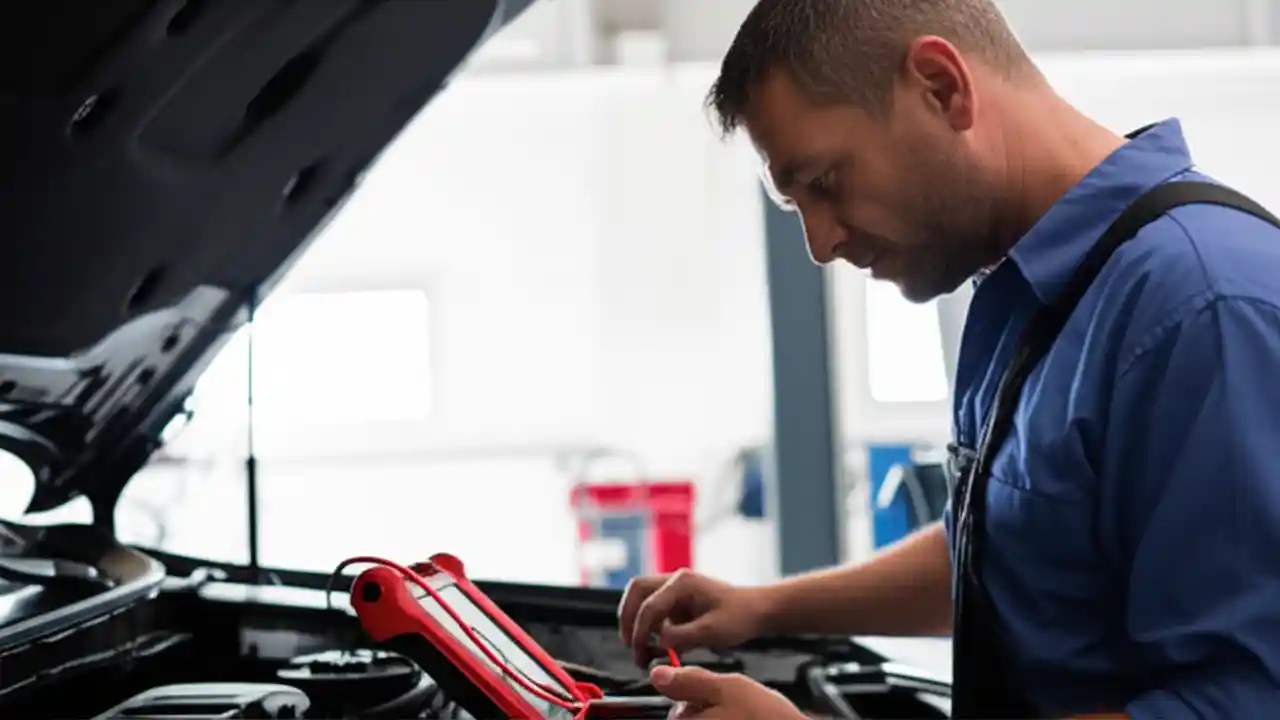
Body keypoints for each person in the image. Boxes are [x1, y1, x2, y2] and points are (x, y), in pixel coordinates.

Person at [618, 0, 1280, 718]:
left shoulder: (1202, 307)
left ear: (941, 87)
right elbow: (1007, 549)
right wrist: (763, 607)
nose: (819, 243)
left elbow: (1242, 702)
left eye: (826, 182)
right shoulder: (1035, 298)